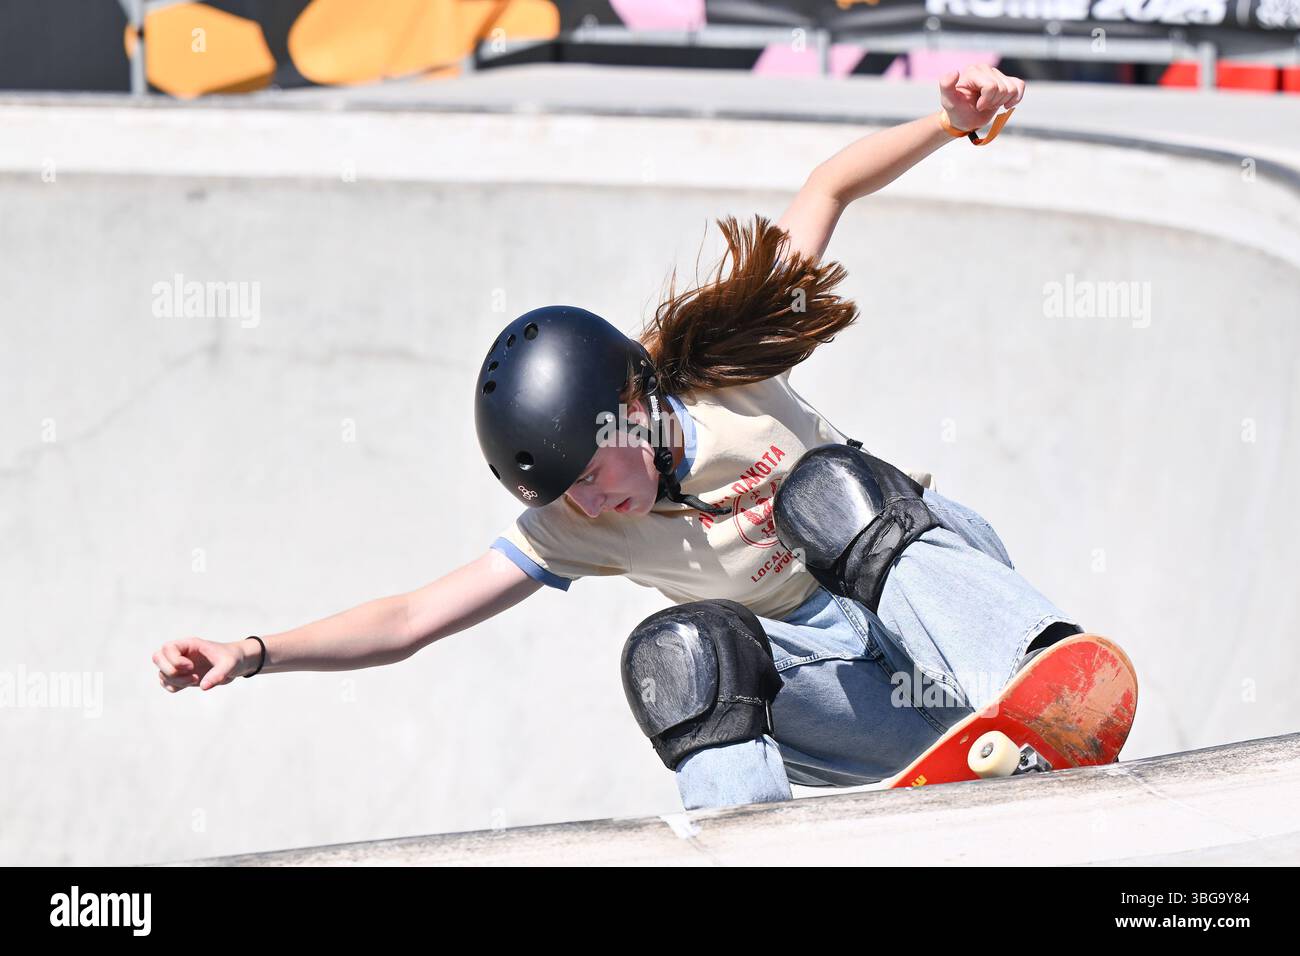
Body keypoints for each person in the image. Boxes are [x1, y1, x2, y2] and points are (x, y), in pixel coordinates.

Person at [153, 65, 1071, 811]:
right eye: (569, 497)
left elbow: (829, 184)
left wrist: (950, 123)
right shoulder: (575, 528)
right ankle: (747, 842)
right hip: (860, 704)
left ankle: (1041, 683)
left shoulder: (721, 362)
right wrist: (254, 650)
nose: (594, 504)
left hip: (940, 604)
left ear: (632, 402)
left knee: (828, 490)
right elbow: (408, 621)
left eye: (592, 473)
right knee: (681, 652)